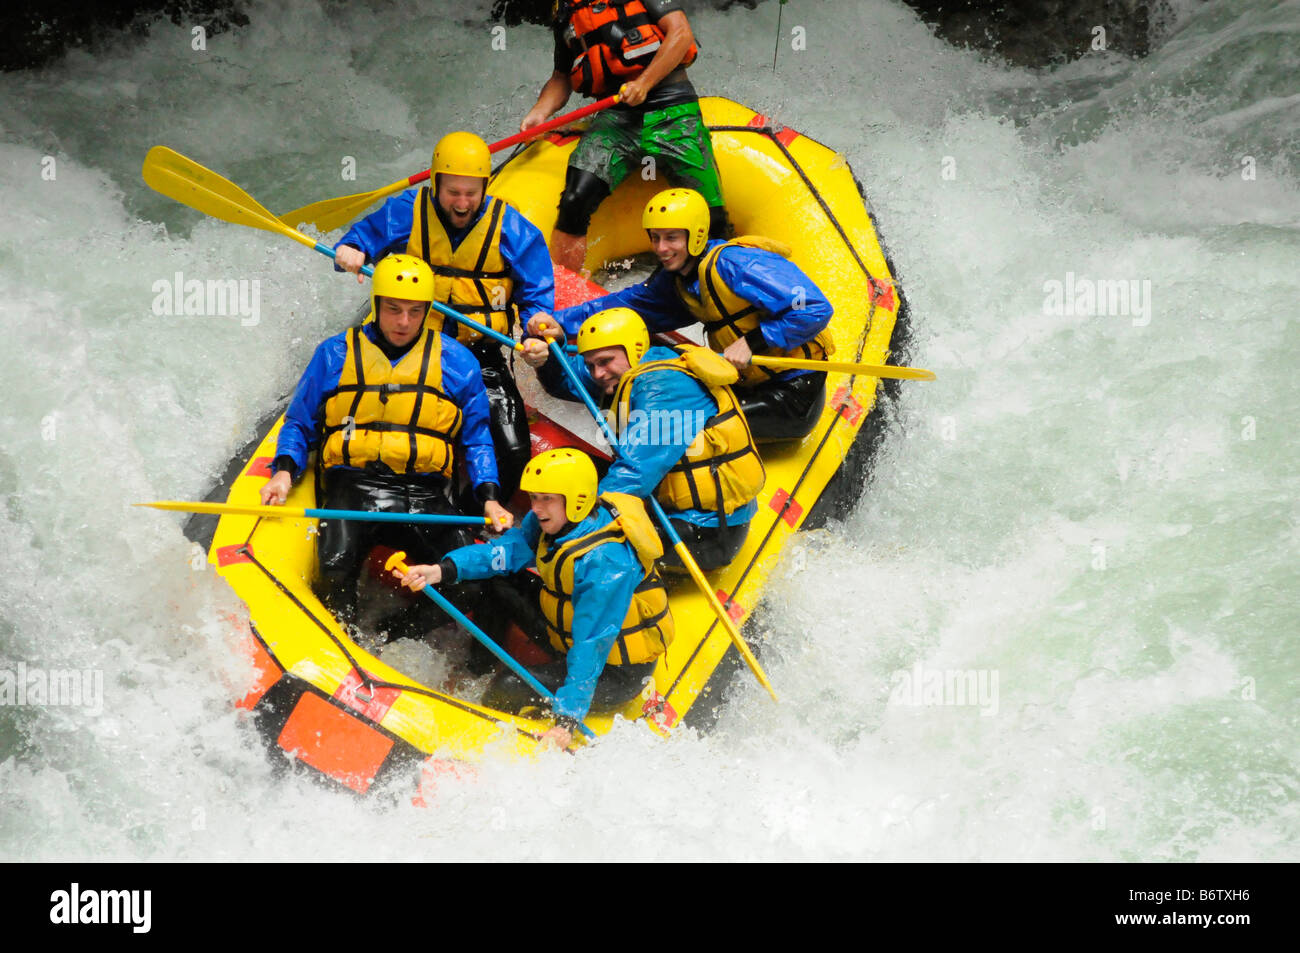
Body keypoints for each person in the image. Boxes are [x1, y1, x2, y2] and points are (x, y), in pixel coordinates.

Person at [260, 254, 512, 632]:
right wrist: (284, 471)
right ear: (376, 304)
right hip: (354, 486)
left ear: (428, 310)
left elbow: (477, 439)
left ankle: (390, 635)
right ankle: (341, 637)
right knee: (334, 567)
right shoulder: (334, 353)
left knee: (468, 580)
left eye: (414, 311)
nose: (404, 322)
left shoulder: (457, 361)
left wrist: (489, 495)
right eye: (393, 309)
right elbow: (300, 422)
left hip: (424, 495)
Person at [397, 448, 673, 748]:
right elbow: (503, 554)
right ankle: (478, 668)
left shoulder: (606, 563)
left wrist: (567, 720)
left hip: (615, 670)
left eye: (547, 499)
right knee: (497, 581)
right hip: (564, 636)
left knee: (510, 685)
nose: (537, 508)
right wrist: (442, 569)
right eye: (534, 498)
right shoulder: (550, 521)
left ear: (577, 500)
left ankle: (482, 746)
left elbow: (593, 643)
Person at [333, 131, 555, 502]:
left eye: (472, 192)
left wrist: (536, 329)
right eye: (453, 192)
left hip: (479, 354)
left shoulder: (510, 228)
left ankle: (472, 515)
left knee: (514, 451)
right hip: (408, 348)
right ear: (435, 183)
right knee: (393, 441)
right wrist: (352, 251)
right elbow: (359, 241)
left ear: (485, 186)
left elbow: (537, 295)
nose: (463, 203)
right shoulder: (409, 210)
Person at [534, 188, 837, 442]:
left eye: (671, 238)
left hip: (792, 392)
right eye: (655, 238)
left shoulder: (737, 265)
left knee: (680, 426)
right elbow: (624, 306)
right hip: (742, 382)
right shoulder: (678, 278)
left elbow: (813, 307)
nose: (661, 248)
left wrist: (752, 342)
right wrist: (561, 324)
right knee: (654, 392)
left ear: (696, 235)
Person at [524, 306, 764, 570]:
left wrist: (569, 524)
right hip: (668, 505)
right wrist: (552, 350)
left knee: (582, 546)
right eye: (591, 364)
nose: (597, 374)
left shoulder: (664, 388)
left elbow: (633, 474)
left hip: (707, 529)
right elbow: (568, 382)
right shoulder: (632, 366)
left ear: (635, 348)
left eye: (604, 362)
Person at [519, 0, 726, 273]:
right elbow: (562, 77)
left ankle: (716, 282)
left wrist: (644, 83)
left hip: (672, 109)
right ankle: (565, 290)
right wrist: (539, 113)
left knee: (713, 216)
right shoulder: (567, 11)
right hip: (616, 119)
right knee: (575, 199)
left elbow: (681, 34)